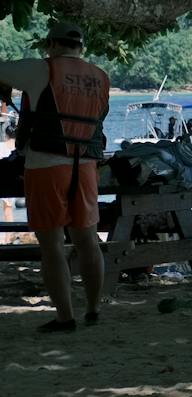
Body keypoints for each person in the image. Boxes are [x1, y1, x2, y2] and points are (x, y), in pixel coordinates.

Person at [0, 21, 111, 331]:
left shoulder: (40, 69)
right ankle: (92, 309)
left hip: (46, 165)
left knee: (51, 246)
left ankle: (65, 317)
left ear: (50, 44)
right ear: (81, 48)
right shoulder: (101, 77)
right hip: (87, 165)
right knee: (88, 240)